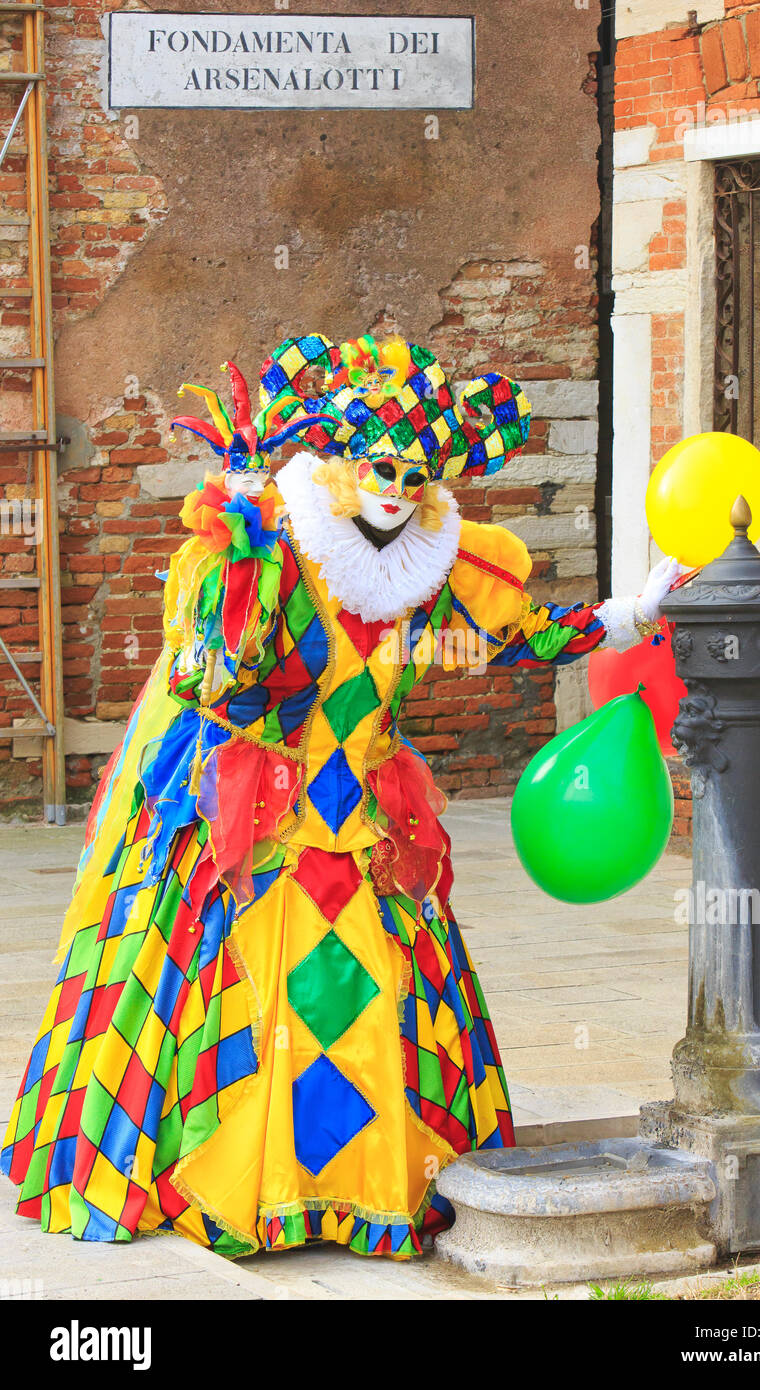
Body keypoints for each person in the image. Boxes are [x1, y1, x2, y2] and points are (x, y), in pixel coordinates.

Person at [1, 333, 681, 1259]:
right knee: (245, 992)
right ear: (338, 462)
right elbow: (214, 670)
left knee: (373, 993)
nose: (396, 486)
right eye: (376, 464)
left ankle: (364, 1185)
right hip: (261, 824)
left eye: (415, 470)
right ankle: (246, 1186)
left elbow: (517, 636)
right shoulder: (279, 553)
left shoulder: (430, 583)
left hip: (366, 824)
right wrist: (236, 568)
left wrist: (630, 612)